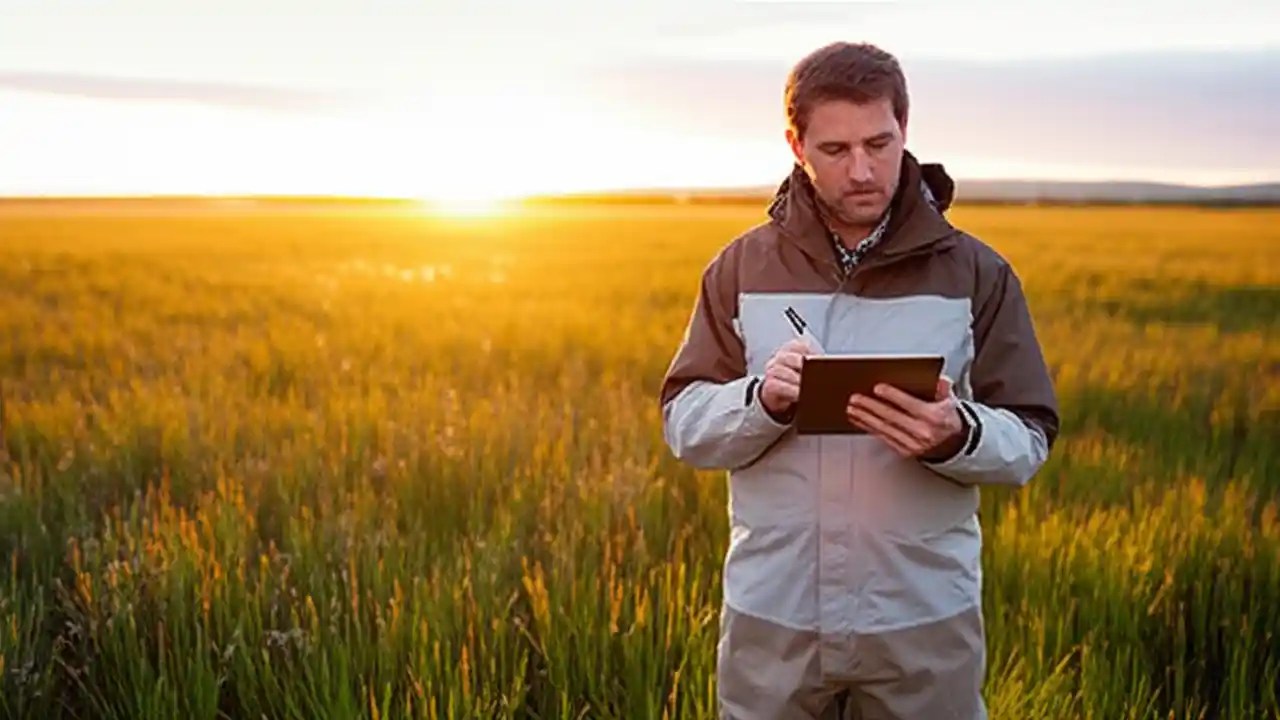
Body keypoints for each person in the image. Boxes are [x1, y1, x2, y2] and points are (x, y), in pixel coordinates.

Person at [658, 41, 1059, 720]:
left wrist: (956, 434)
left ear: (906, 129)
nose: (864, 170)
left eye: (881, 142)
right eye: (836, 150)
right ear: (796, 144)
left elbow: (1030, 435)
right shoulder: (739, 269)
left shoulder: (977, 274)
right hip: (773, 613)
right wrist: (762, 402)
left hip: (923, 617)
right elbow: (684, 423)